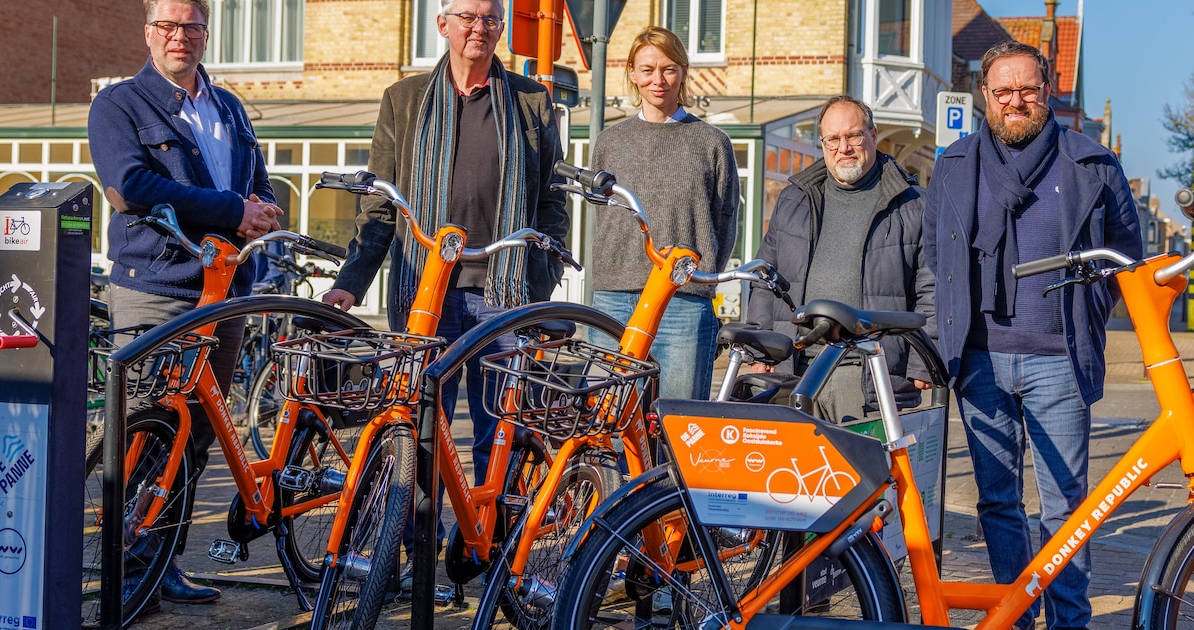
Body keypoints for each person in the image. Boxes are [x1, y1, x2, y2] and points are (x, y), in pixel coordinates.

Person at [320, 0, 568, 578]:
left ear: (500, 28)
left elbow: (551, 203)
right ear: (444, 24)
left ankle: (491, 550)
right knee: (418, 427)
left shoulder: (531, 102)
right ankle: (410, 553)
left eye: (490, 19)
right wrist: (351, 284)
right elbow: (382, 204)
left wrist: (537, 283)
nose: (479, 28)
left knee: (499, 432)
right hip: (424, 292)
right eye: (467, 17)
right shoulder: (404, 101)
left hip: (502, 296)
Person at [924, 40, 1142, 630]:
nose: (1015, 101)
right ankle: (1012, 617)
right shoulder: (955, 164)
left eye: (1027, 90)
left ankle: (1068, 619)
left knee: (1066, 507)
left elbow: (1126, 256)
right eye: (1003, 92)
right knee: (997, 502)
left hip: (1059, 360)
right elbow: (931, 251)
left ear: (1045, 93)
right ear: (985, 98)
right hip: (978, 359)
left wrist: (1087, 311)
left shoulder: (1091, 162)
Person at [87, 0, 284, 612]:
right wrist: (232, 212)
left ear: (205, 33)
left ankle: (162, 566)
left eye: (191, 26)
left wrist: (264, 213)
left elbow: (257, 180)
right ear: (149, 34)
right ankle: (124, 573)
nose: (180, 37)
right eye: (168, 27)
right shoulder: (118, 104)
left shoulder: (226, 106)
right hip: (158, 291)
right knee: (146, 434)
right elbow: (129, 188)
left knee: (196, 437)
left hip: (225, 294)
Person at [747, 94, 934, 423]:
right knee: (794, 472)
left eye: (853, 135)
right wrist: (760, 347)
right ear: (822, 143)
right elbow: (765, 278)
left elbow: (932, 287)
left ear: (873, 135)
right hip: (796, 366)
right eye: (832, 138)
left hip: (865, 368)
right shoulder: (795, 199)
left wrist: (924, 361)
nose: (843, 147)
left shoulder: (914, 204)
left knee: (860, 472)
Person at [588, 25, 738, 401]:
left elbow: (725, 220)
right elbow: (603, 217)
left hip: (683, 302)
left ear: (683, 72)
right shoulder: (610, 141)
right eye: (648, 69)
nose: (659, 79)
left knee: (677, 424)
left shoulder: (712, 143)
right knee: (609, 426)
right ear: (633, 74)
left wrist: (698, 279)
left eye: (669, 68)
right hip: (614, 298)